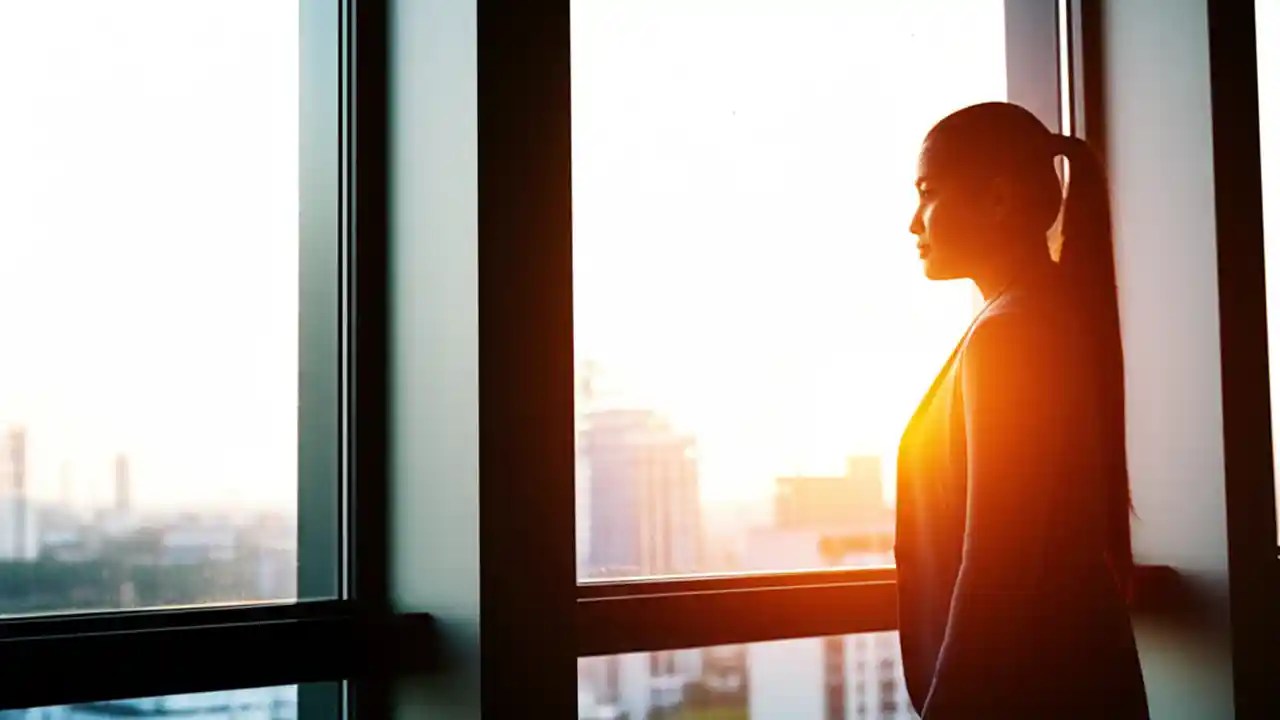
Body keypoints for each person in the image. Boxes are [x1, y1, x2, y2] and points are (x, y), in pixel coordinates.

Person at [895, 102, 1148, 718]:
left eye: (927, 193)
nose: (912, 223)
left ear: (999, 200)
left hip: (1029, 692)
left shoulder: (1010, 333)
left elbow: (996, 568)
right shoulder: (1041, 315)